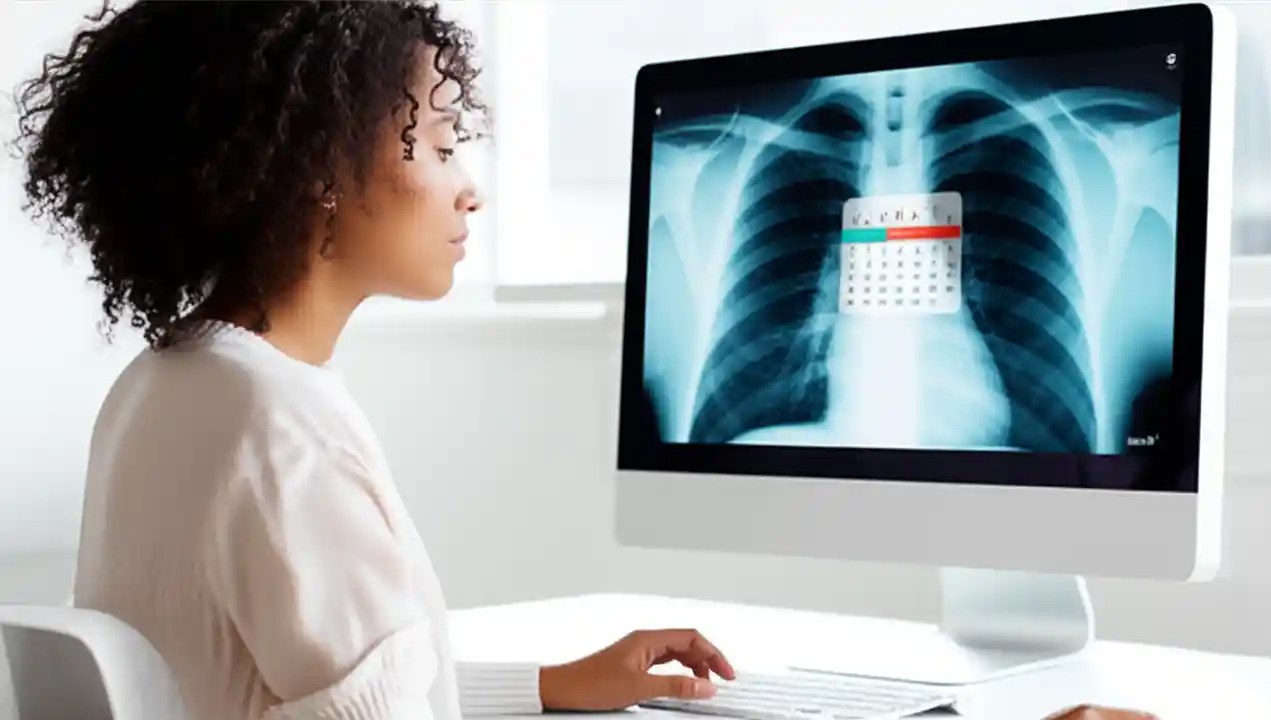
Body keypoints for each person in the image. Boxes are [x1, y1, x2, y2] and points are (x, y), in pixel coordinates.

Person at [12, 2, 1157, 719]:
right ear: (315, 167)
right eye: (444, 143)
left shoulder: (173, 383)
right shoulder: (281, 425)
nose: (472, 184)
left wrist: (557, 687)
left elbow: (330, 695)